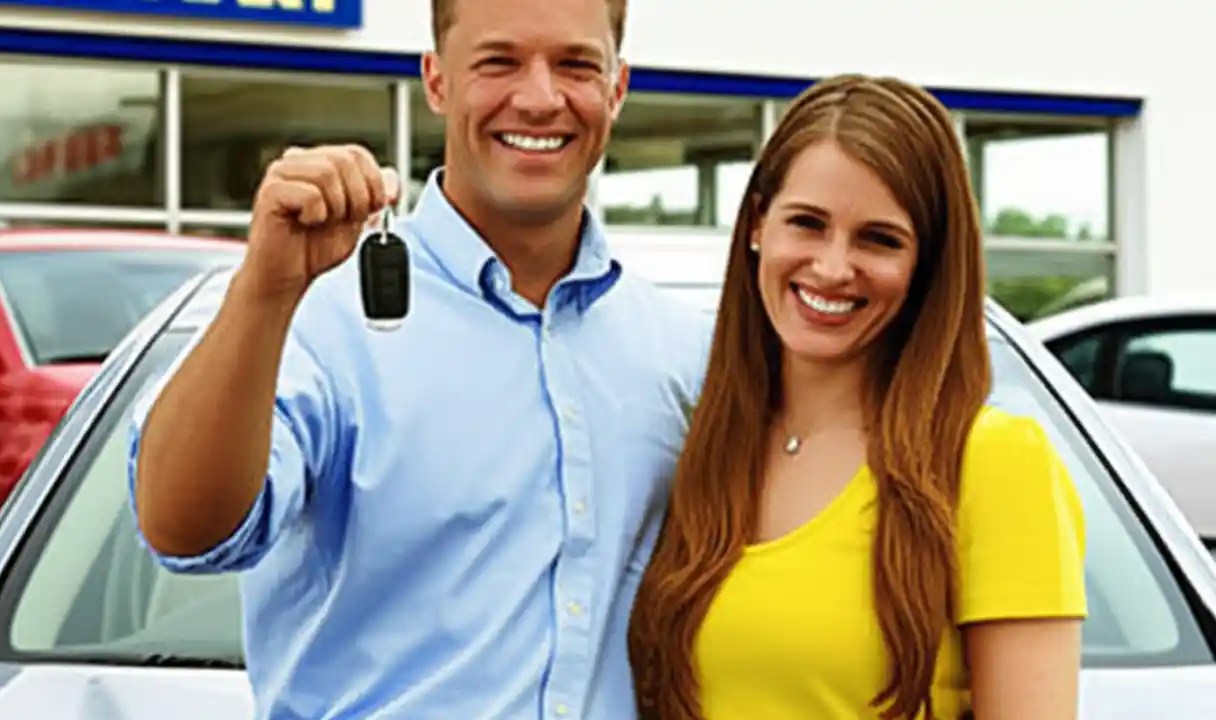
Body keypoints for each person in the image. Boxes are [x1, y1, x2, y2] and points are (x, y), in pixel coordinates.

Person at [127, 0, 711, 718]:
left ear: (616, 89)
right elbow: (183, 531)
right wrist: (263, 293)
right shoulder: (315, 318)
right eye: (498, 62)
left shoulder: (684, 351)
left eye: (575, 64)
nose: (538, 97)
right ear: (436, 81)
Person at [627, 74, 1087, 720]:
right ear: (758, 224)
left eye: (880, 239)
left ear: (926, 263)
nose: (833, 267)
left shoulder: (993, 462)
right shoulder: (703, 446)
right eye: (807, 224)